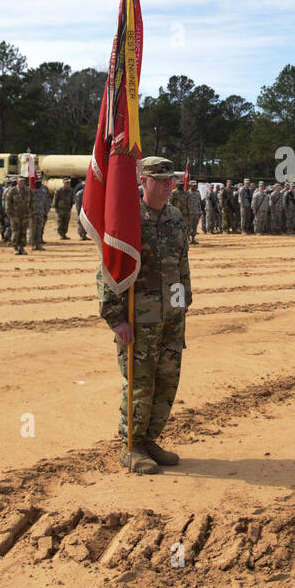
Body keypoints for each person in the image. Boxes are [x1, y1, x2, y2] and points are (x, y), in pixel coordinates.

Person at [99, 157, 192, 475]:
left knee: (167, 380)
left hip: (170, 318)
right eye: (161, 179)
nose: (169, 185)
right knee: (140, 383)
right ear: (143, 181)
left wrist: (182, 307)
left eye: (171, 179)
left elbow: (182, 265)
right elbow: (110, 272)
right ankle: (131, 446)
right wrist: (116, 318)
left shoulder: (176, 216)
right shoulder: (128, 220)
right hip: (139, 320)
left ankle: (149, 439)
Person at [4, 176, 32, 255]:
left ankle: (22, 248)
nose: (22, 183)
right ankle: (15, 248)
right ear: (17, 181)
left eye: (23, 181)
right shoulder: (12, 191)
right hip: (15, 215)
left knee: (23, 232)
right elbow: (8, 202)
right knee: (16, 232)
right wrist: (8, 212)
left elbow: (32, 202)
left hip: (25, 215)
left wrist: (31, 212)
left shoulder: (28, 190)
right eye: (20, 181)